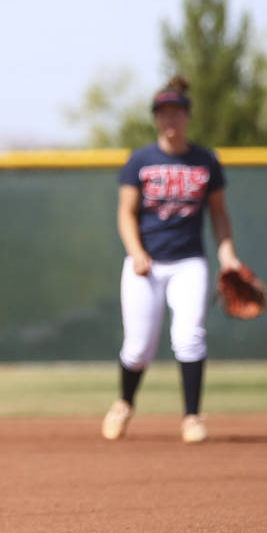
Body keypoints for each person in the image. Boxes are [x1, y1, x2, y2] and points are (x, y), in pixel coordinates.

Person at [102, 75, 242, 444]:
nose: (170, 120)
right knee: (137, 348)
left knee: (190, 336)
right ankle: (124, 403)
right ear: (155, 119)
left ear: (186, 117)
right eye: (163, 113)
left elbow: (219, 214)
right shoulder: (141, 160)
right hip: (145, 263)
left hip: (188, 262)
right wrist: (136, 253)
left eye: (176, 113)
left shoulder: (205, 161)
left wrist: (226, 254)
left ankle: (192, 417)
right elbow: (125, 213)